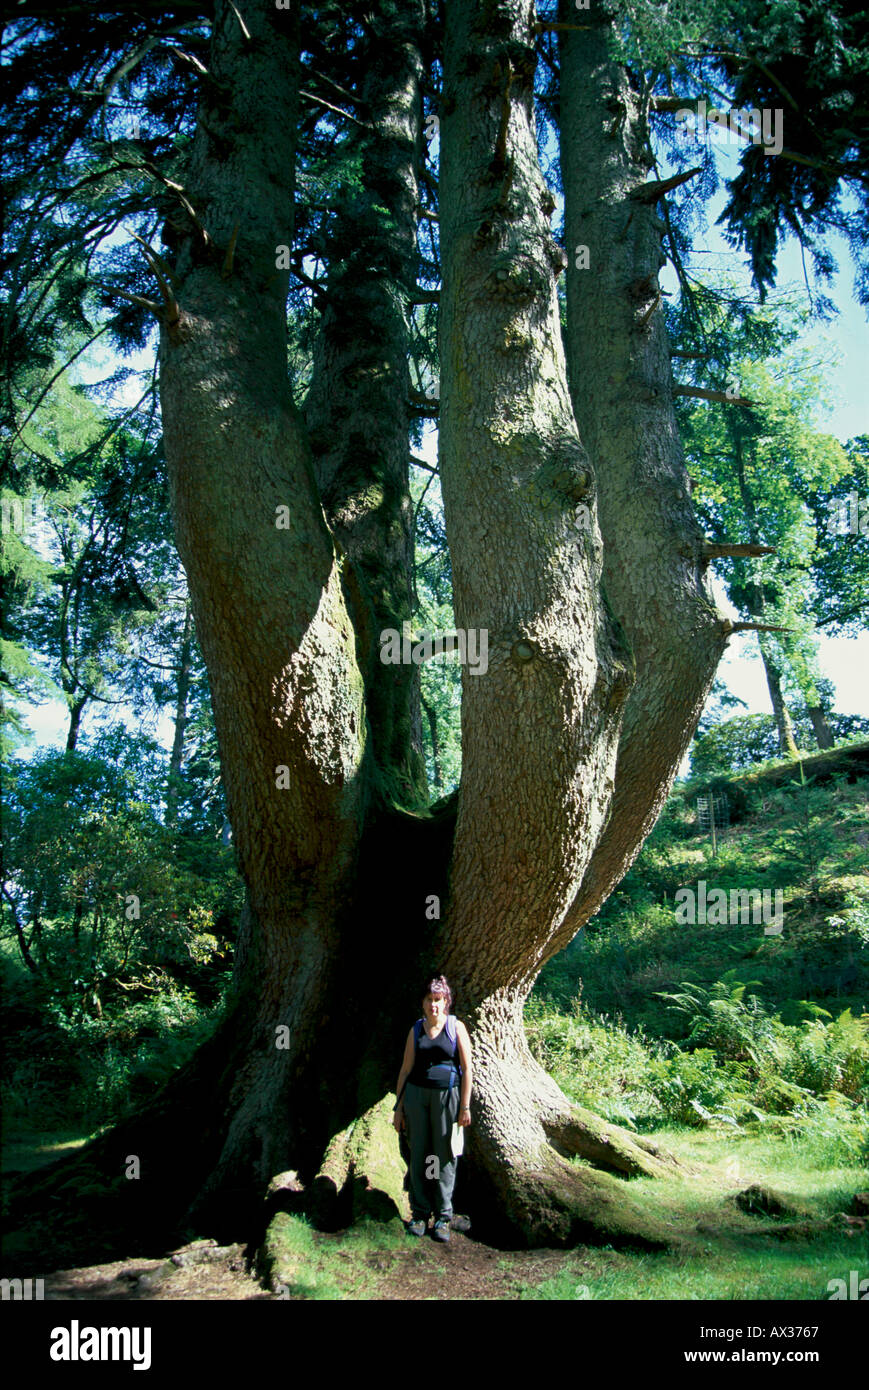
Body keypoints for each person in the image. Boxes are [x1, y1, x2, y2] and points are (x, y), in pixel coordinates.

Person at [393, 975, 472, 1242]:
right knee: (422, 1155)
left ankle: (443, 1216)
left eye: (438, 1000)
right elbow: (405, 1069)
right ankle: (420, 1213)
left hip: (446, 1099)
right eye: (429, 1000)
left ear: (446, 1002)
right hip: (417, 1098)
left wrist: (465, 1106)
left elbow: (468, 1069)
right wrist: (398, 1108)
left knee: (444, 1156)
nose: (434, 1006)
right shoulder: (416, 1030)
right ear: (423, 1003)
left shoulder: (455, 1027)